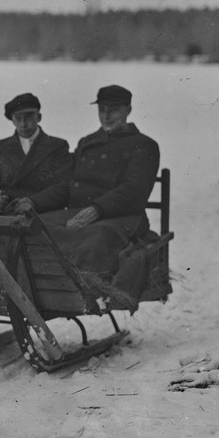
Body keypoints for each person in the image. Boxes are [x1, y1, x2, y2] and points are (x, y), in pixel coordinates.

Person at [39, 84, 160, 303]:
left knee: (96, 238)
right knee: (37, 226)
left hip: (123, 218)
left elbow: (134, 191)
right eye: (102, 109)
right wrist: (33, 202)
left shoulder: (144, 145)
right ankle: (41, 286)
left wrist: (95, 210)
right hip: (78, 213)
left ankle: (84, 293)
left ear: (128, 110)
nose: (106, 116)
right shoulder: (87, 142)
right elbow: (67, 184)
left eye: (113, 110)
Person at [0, 92, 72, 215]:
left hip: (44, 213)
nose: (23, 123)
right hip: (7, 212)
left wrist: (34, 202)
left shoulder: (57, 146)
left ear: (39, 117)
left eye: (29, 117)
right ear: (12, 120)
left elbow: (64, 186)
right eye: (18, 118)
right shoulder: (0, 148)